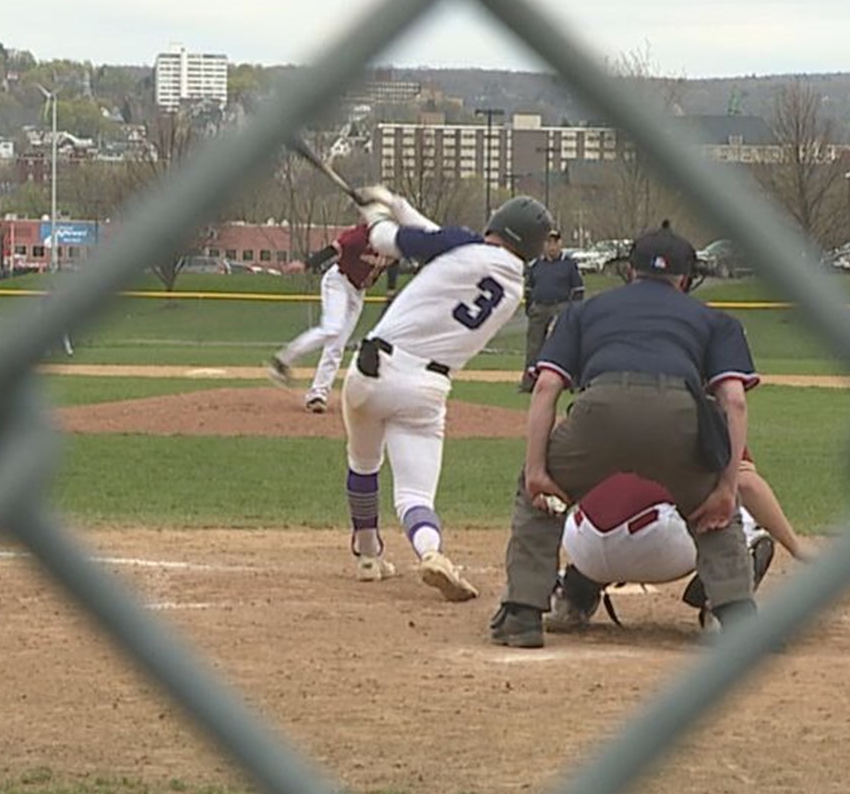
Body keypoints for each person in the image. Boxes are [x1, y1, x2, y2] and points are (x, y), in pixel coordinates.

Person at [492, 221, 758, 649]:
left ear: (630, 271)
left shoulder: (583, 312)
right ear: (686, 278)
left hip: (601, 410)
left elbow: (546, 387)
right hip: (679, 418)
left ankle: (523, 614)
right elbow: (735, 401)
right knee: (714, 513)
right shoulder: (714, 319)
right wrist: (725, 486)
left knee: (540, 496)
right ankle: (739, 617)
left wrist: (537, 470)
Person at [342, 187, 555, 601]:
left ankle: (368, 555)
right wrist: (401, 207)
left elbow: (388, 242)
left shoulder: (463, 248)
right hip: (428, 388)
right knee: (415, 494)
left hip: (373, 370)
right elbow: (449, 246)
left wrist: (375, 216)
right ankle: (431, 552)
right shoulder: (513, 289)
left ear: (496, 223)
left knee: (364, 461)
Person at [552, 451, 805, 632]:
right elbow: (748, 485)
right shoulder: (703, 411)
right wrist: (797, 547)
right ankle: (723, 606)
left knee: (612, 508)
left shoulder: (614, 406)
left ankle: (571, 592)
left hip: (579, 537)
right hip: (657, 545)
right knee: (744, 515)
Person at [269, 224, 391, 413]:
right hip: (338, 282)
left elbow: (393, 264)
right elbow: (333, 249)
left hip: (358, 293)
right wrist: (307, 264)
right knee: (333, 328)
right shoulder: (360, 236)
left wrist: (391, 290)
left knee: (337, 345)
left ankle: (318, 395)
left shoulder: (394, 240)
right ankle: (283, 360)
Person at [518, 230, 584, 392]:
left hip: (561, 307)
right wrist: (530, 307)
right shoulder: (536, 265)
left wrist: (573, 311)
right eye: (548, 242)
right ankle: (529, 383)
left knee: (564, 344)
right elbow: (529, 288)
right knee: (534, 346)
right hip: (540, 307)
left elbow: (578, 289)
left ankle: (572, 382)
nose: (552, 246)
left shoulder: (569, 264)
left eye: (555, 242)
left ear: (560, 243)